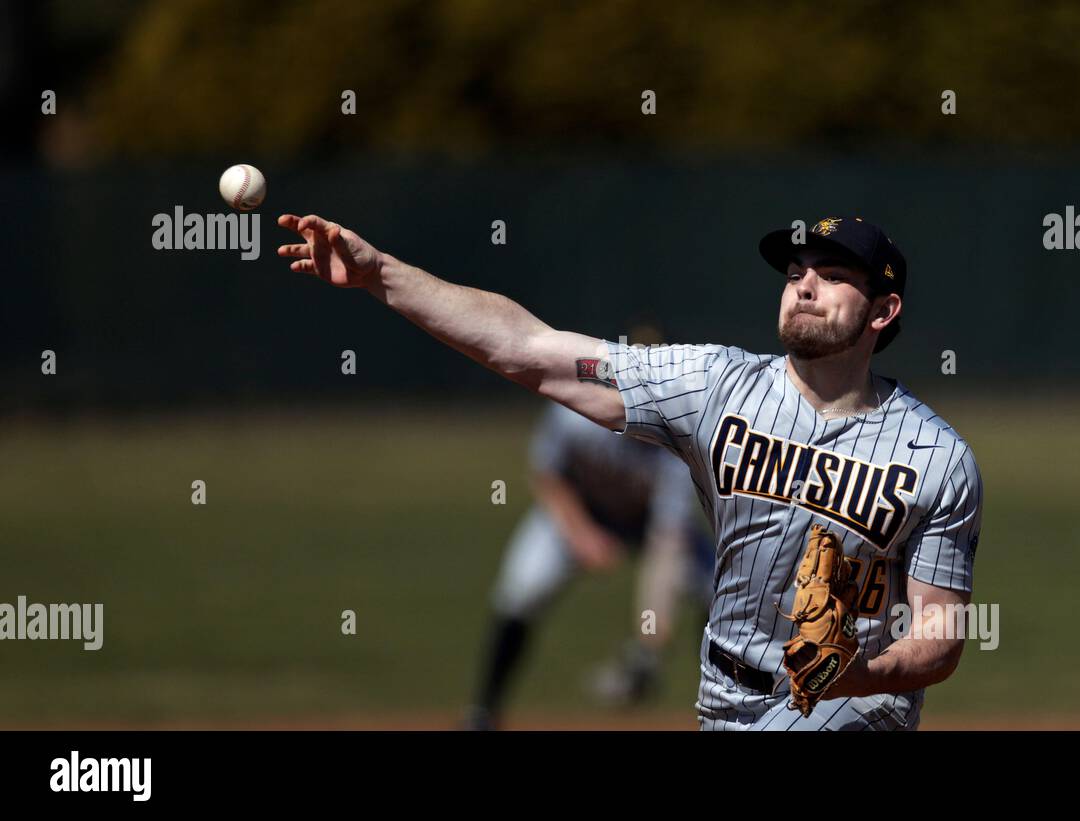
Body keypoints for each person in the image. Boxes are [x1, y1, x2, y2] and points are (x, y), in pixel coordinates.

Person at [276, 213, 983, 730]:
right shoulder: (716, 386)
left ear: (883, 310)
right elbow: (528, 348)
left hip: (852, 709)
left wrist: (863, 672)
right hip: (726, 702)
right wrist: (382, 275)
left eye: (833, 276)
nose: (804, 286)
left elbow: (941, 636)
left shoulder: (935, 457)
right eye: (797, 271)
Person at [466, 400, 713, 730]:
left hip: (642, 522)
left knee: (714, 588)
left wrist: (650, 642)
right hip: (576, 510)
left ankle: (718, 711)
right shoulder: (578, 413)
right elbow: (547, 475)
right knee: (524, 587)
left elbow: (665, 548)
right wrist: (583, 536)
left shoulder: (677, 451)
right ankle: (483, 712)